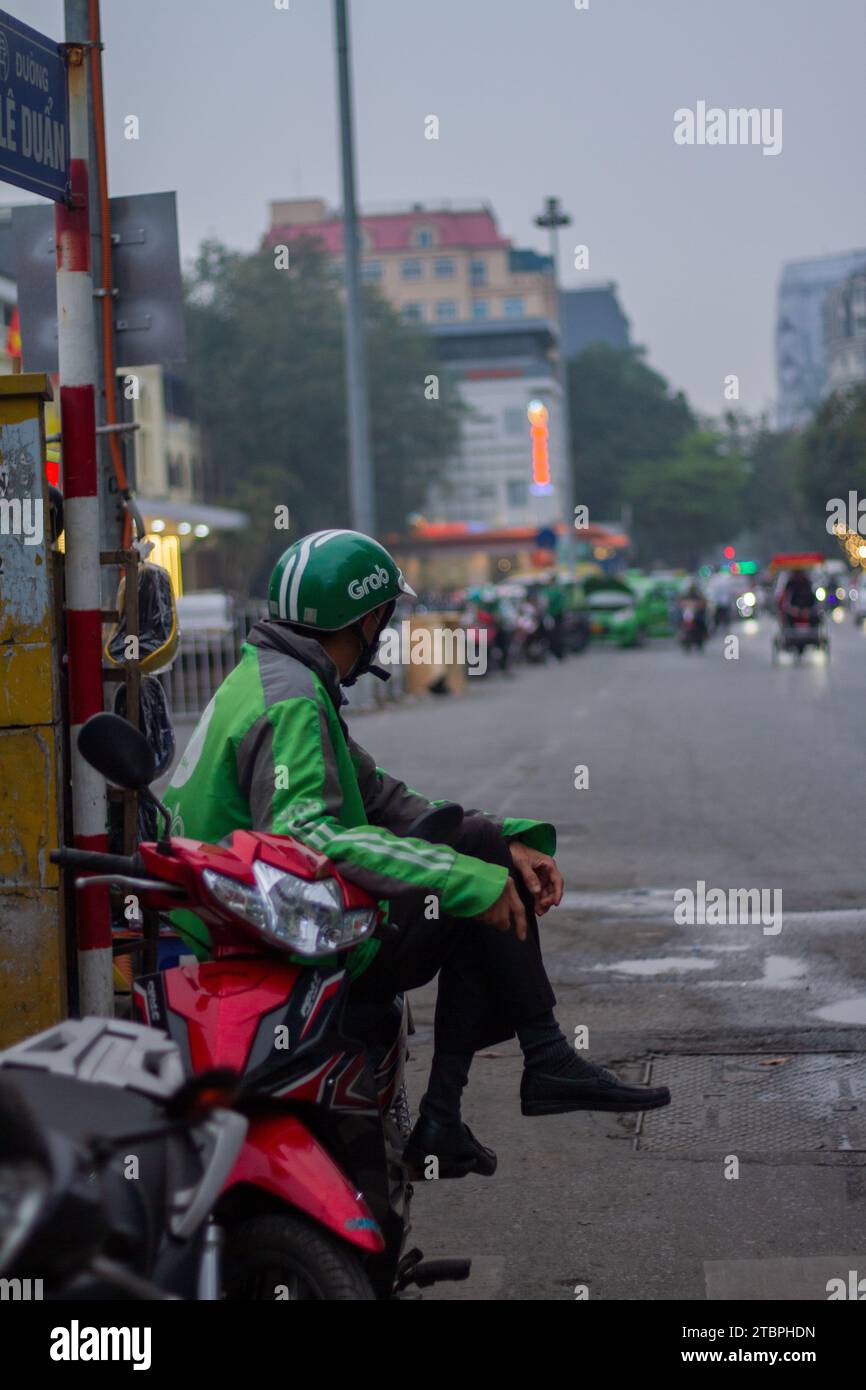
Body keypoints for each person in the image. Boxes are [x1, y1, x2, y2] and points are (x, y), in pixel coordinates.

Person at [164, 530, 669, 1178]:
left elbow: (378, 795)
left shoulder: (271, 675)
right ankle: (513, 1074)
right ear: (370, 619)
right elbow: (305, 836)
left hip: (246, 921)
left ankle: (467, 1103)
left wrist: (503, 842)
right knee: (471, 886)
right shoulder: (291, 698)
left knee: (481, 853)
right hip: (269, 938)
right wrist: (468, 880)